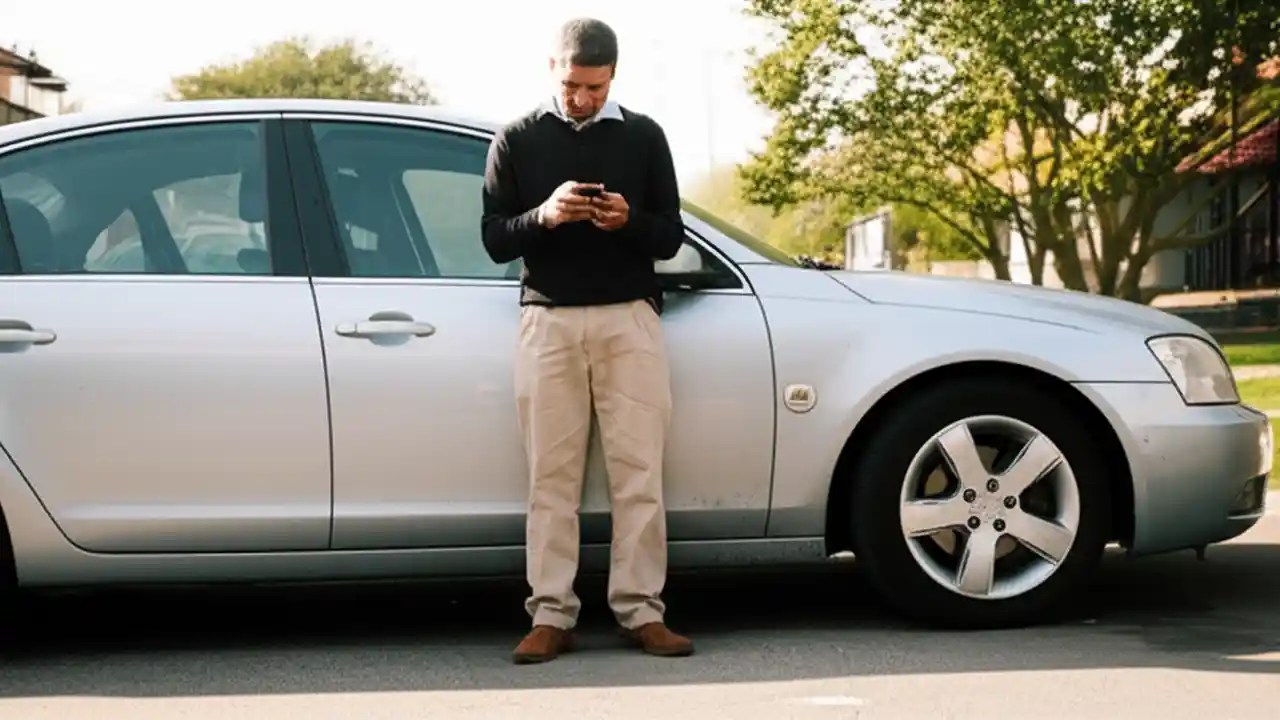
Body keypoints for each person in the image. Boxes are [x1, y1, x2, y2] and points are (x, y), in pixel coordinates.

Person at [480, 16, 693, 664]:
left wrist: (630, 220)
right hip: (550, 321)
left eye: (596, 88)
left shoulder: (645, 135)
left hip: (630, 317)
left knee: (640, 475)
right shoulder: (515, 138)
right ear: (553, 69)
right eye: (573, 85)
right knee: (551, 478)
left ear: (613, 77)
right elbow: (494, 239)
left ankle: (641, 612)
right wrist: (544, 216)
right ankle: (551, 615)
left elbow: (670, 237)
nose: (583, 99)